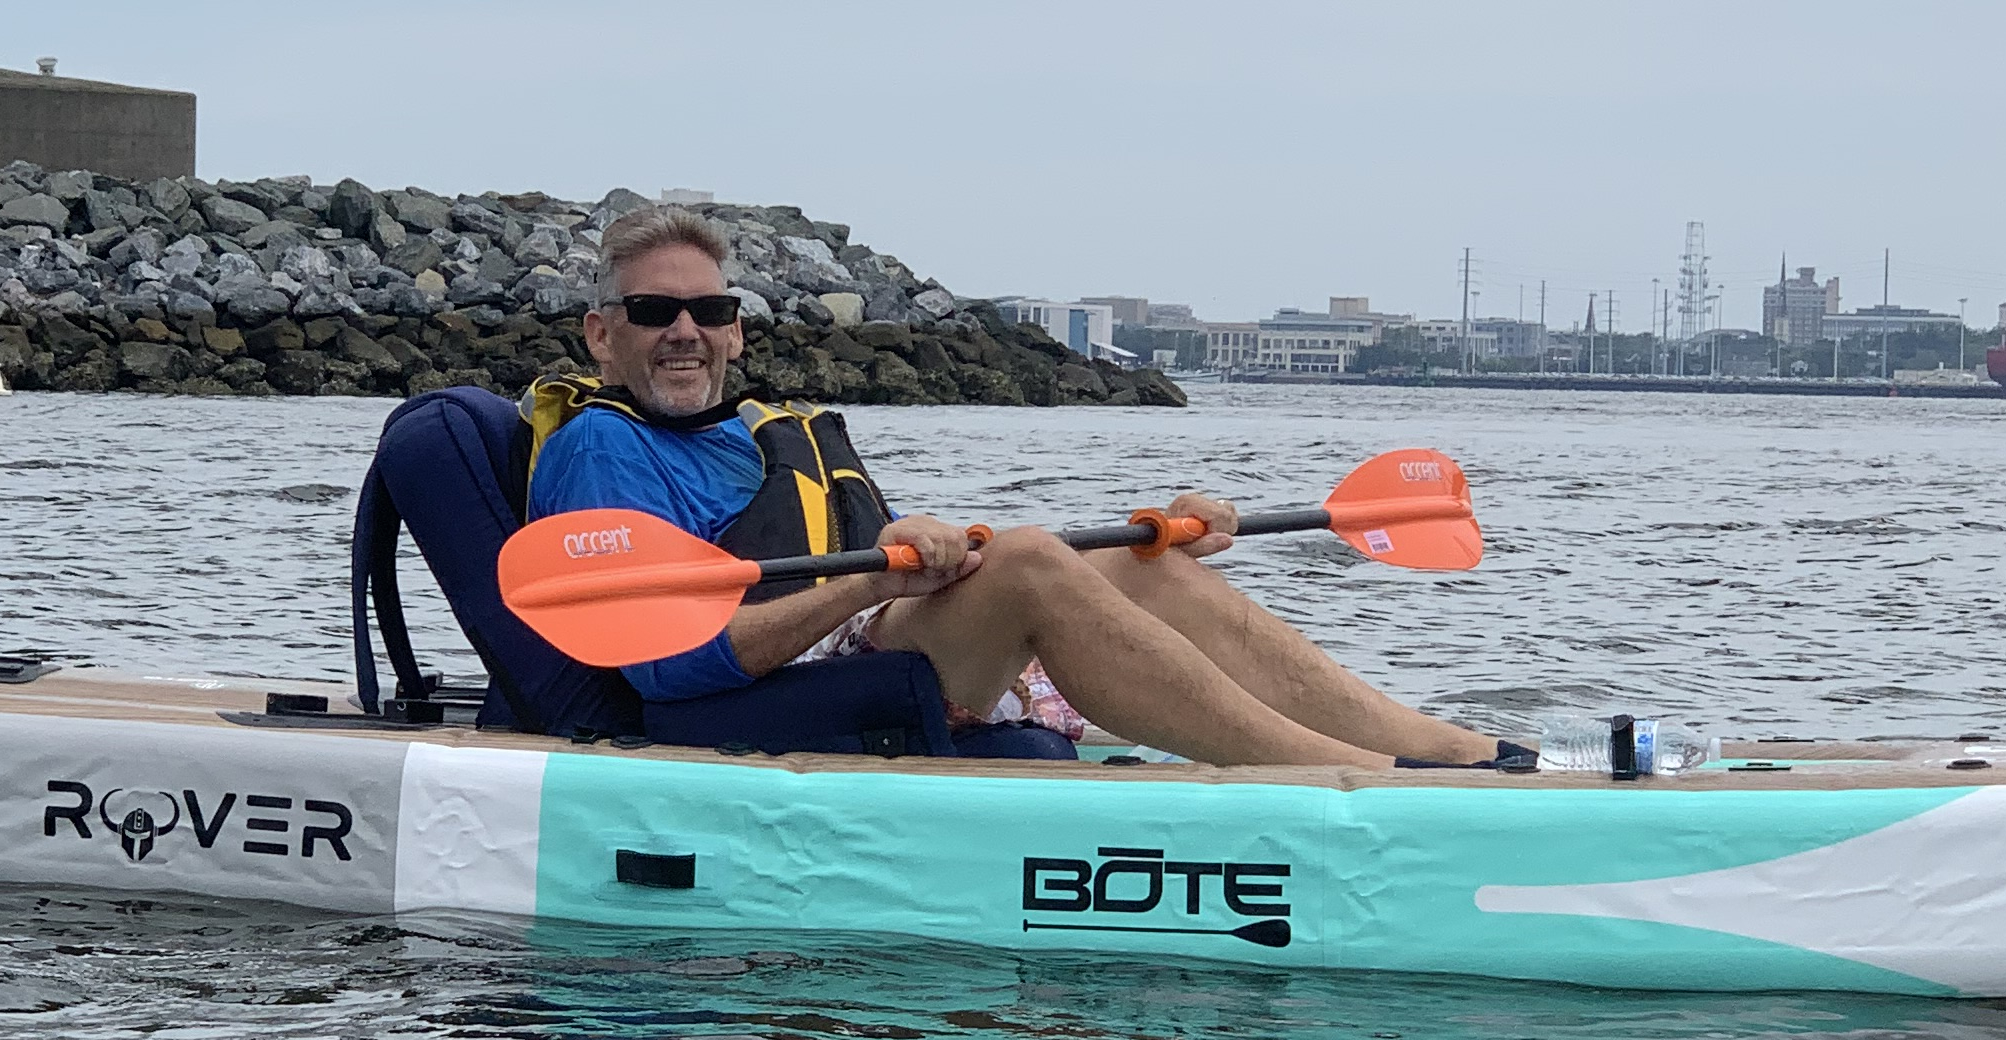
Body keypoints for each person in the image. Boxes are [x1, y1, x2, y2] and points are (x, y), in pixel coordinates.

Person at [524, 205, 1521, 772]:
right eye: (655, 312)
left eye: (709, 309)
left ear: (738, 326)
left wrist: (1156, 531)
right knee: (1035, 561)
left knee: (1140, 567)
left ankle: (1453, 754)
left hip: (856, 647)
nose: (686, 331)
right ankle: (1346, 780)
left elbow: (872, 561)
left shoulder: (757, 432)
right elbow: (667, 671)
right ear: (602, 333)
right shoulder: (603, 452)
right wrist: (878, 587)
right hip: (767, 705)